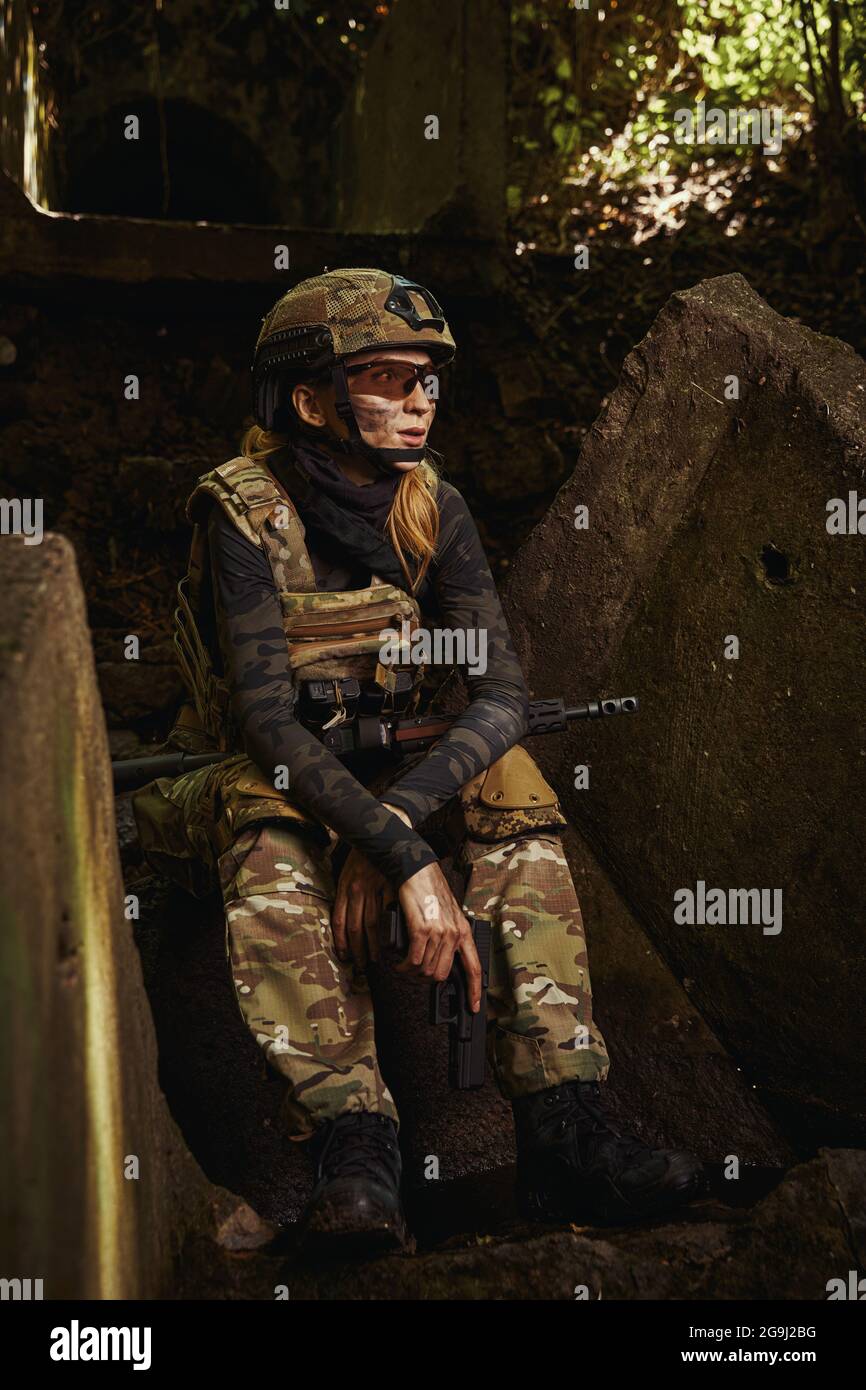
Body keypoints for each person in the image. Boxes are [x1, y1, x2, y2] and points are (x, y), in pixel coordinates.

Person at [133, 268, 702, 1256]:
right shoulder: (242, 510)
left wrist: (391, 831)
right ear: (310, 400)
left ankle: (565, 1116)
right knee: (261, 813)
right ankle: (352, 1145)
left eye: (426, 380)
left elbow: (501, 698)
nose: (417, 402)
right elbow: (269, 726)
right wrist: (400, 854)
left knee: (508, 773)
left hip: (390, 773)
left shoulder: (433, 506)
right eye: (387, 379)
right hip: (265, 777)